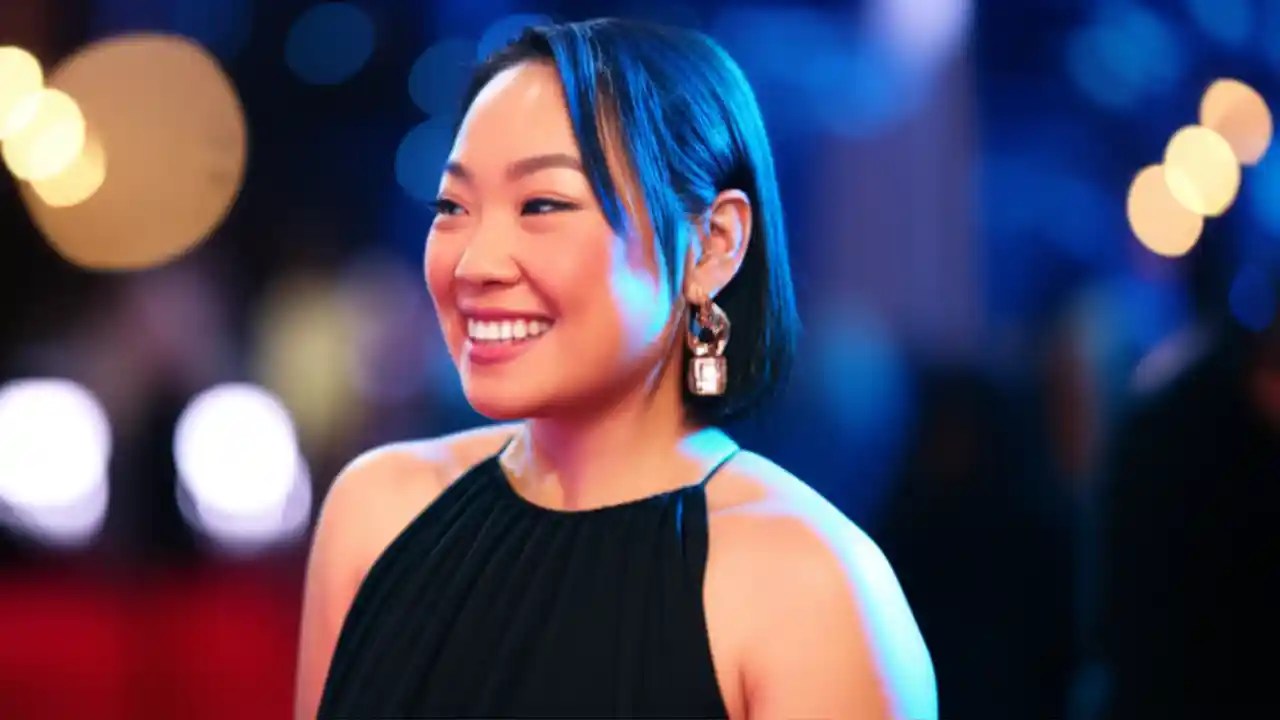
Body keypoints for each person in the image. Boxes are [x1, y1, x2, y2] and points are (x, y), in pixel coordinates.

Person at [295, 18, 935, 719]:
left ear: (712, 245)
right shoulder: (378, 512)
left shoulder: (806, 583)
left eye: (542, 204)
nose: (474, 264)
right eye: (453, 207)